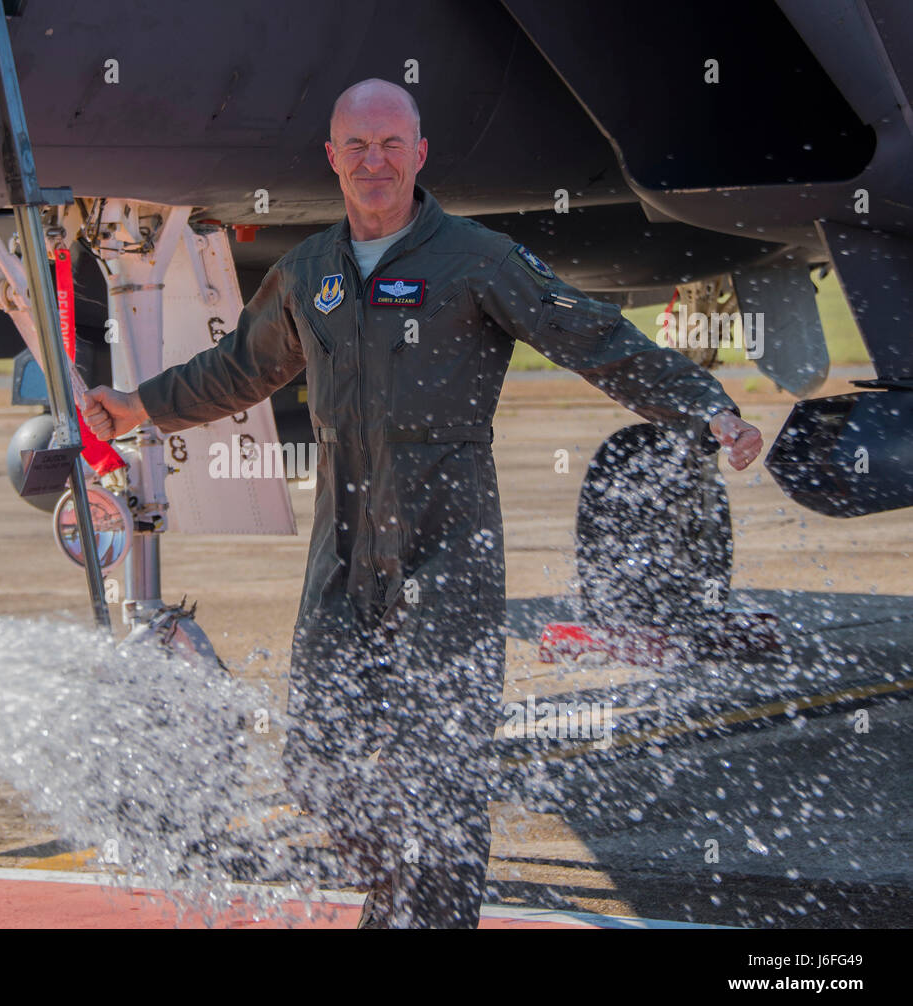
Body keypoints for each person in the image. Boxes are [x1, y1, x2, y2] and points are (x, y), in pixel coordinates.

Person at [83, 78, 763, 928]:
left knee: (440, 778)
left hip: (450, 549)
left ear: (420, 154)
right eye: (357, 147)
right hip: (343, 557)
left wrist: (704, 408)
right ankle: (397, 895)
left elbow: (589, 334)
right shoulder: (308, 272)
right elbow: (240, 368)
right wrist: (137, 406)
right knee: (320, 770)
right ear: (333, 158)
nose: (375, 162)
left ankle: (423, 915)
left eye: (391, 145)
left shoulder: (476, 259)